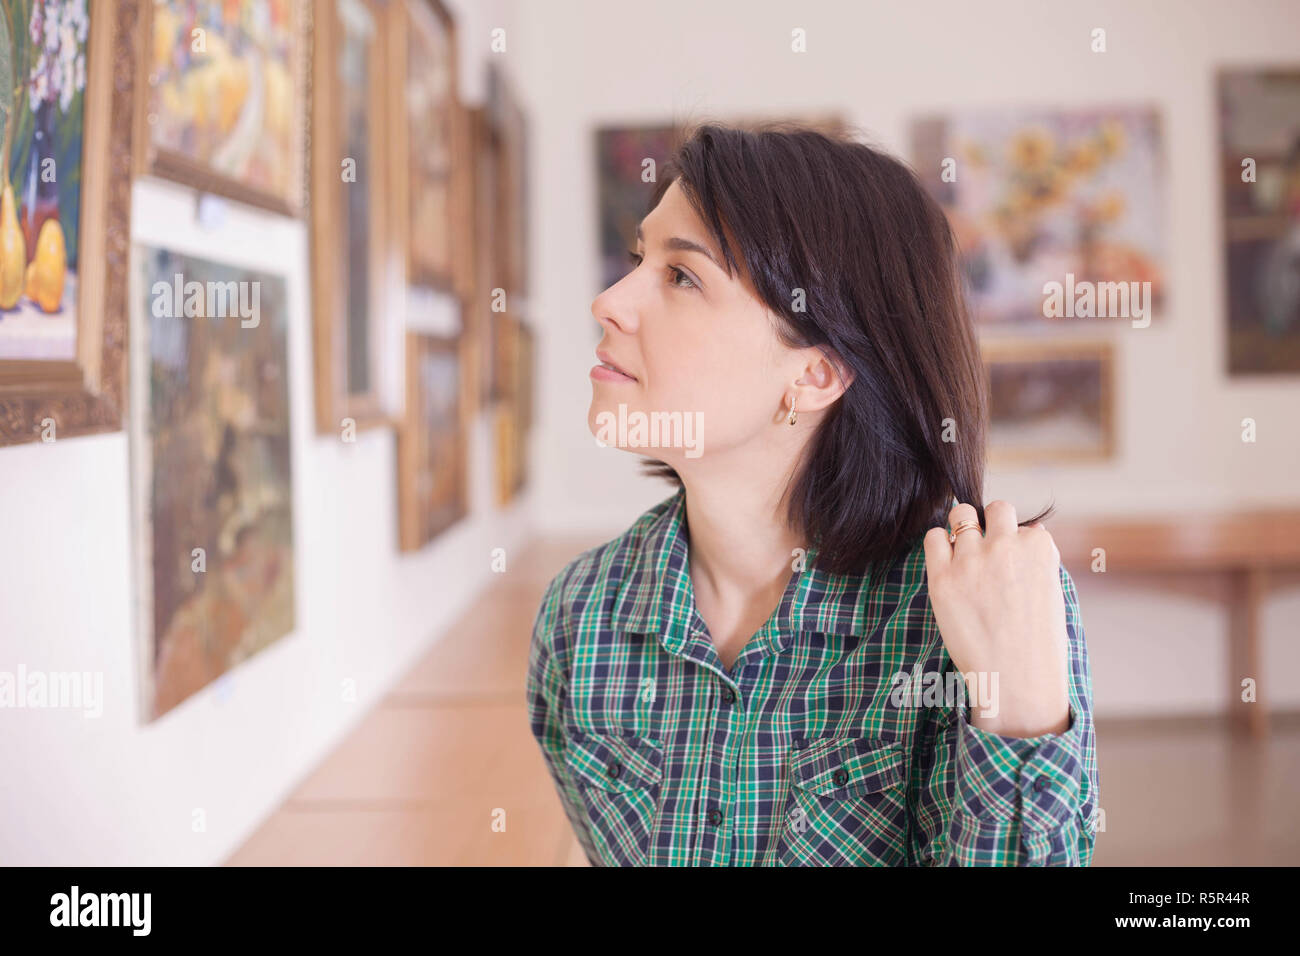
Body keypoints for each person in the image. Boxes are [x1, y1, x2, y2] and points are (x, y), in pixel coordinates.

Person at [527, 122, 1098, 866]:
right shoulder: (580, 619)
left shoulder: (976, 614)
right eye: (639, 258)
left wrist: (1018, 711)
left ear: (815, 374)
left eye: (681, 276)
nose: (608, 301)